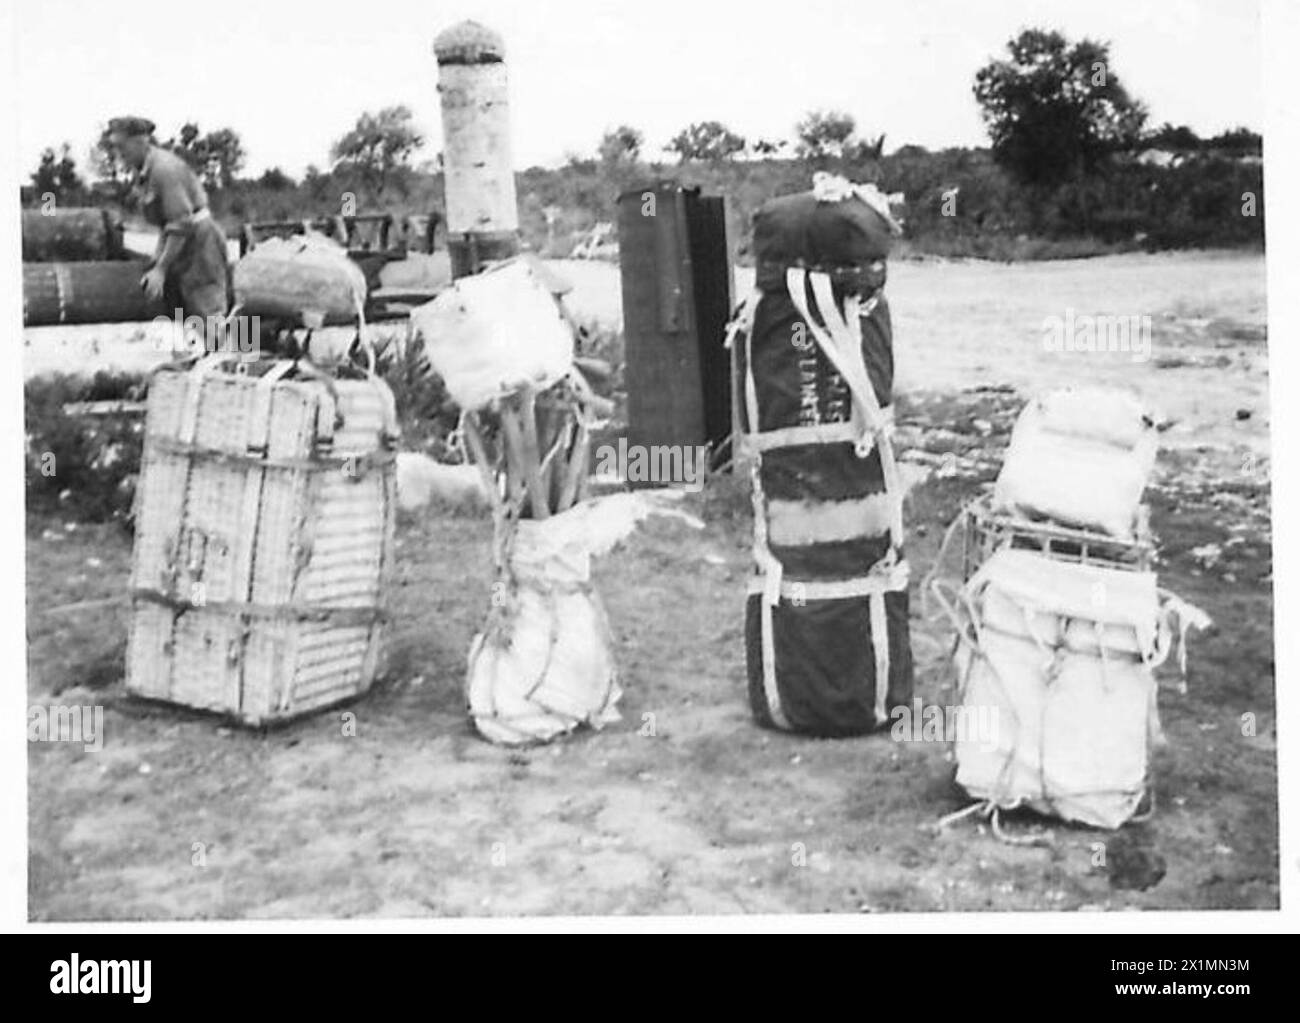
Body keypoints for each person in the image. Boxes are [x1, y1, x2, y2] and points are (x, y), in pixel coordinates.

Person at [108, 116, 230, 337]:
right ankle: (207, 360)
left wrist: (161, 269)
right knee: (190, 312)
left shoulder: (164, 170)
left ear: (140, 142)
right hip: (186, 238)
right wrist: (158, 259)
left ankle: (233, 360)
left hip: (200, 241)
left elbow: (180, 223)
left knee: (209, 309)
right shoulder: (144, 170)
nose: (119, 153)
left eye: (122, 146)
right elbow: (167, 224)